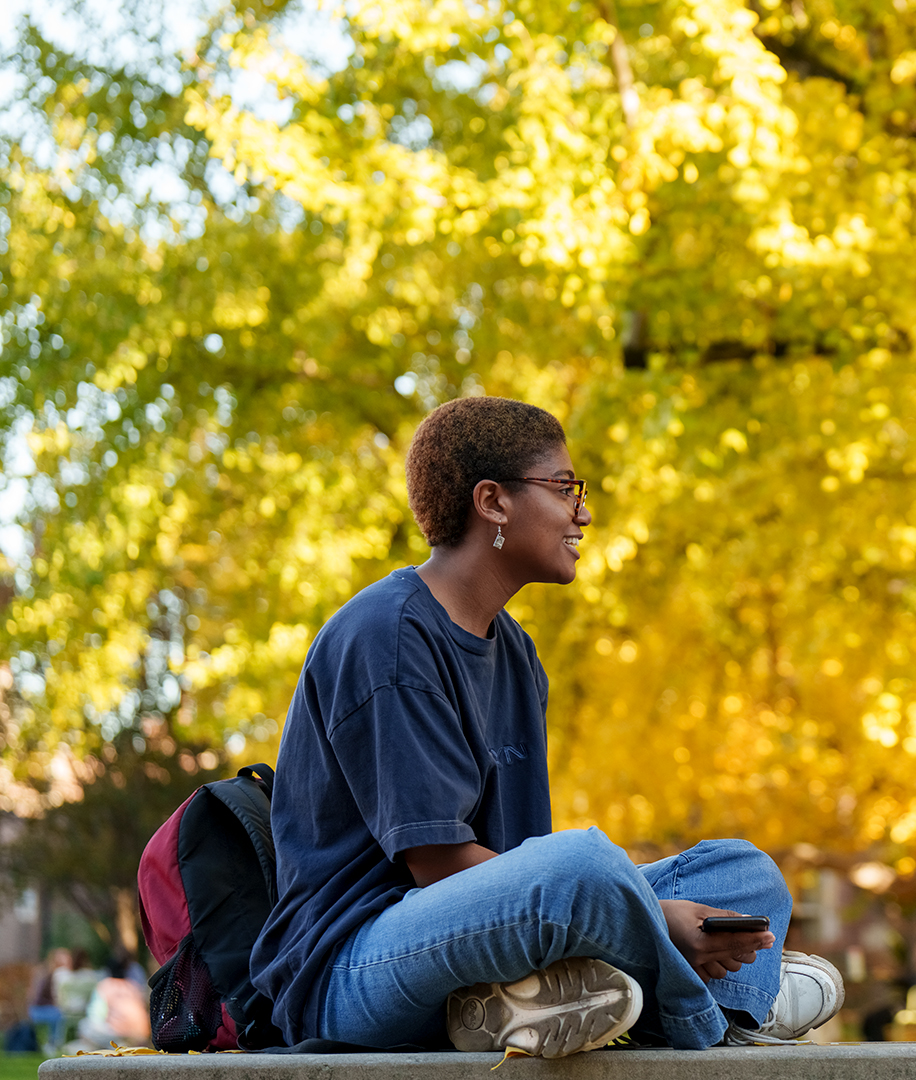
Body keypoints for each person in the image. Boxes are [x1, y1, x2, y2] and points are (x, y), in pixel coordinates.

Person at [249, 397, 843, 1057]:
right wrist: (656, 920)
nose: (582, 512)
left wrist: (627, 910)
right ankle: (719, 1023)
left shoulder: (516, 653)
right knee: (580, 866)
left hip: (485, 939)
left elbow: (517, 870)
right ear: (493, 503)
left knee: (741, 873)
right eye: (564, 489)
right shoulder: (387, 638)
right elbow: (442, 869)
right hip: (353, 971)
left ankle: (535, 1004)